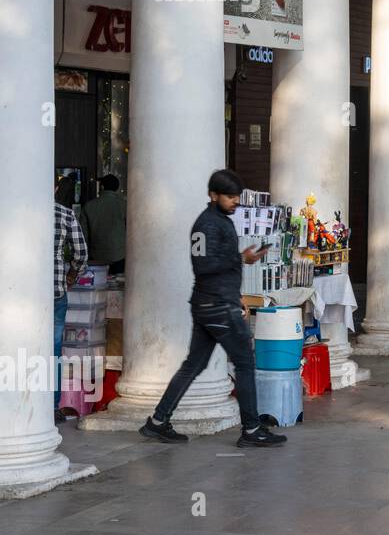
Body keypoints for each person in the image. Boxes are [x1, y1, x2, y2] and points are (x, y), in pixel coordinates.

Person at [140, 169, 285, 447]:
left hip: (212, 302)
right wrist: (240, 257)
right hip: (217, 306)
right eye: (230, 197)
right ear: (213, 195)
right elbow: (204, 266)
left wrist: (238, 289)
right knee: (244, 363)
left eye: (237, 196)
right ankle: (252, 429)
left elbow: (218, 267)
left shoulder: (218, 220)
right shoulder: (207, 224)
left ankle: (158, 422)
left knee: (193, 365)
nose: (235, 202)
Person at [53, 185, 88, 418]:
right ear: (54, 188)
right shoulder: (64, 213)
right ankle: (52, 405)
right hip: (54, 291)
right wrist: (72, 274)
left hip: (15, 294)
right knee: (53, 350)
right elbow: (81, 253)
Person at [81, 174, 127, 274]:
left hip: (96, 256)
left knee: (98, 285)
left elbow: (83, 234)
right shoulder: (124, 205)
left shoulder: (89, 206)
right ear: (117, 187)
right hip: (120, 254)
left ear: (102, 186)